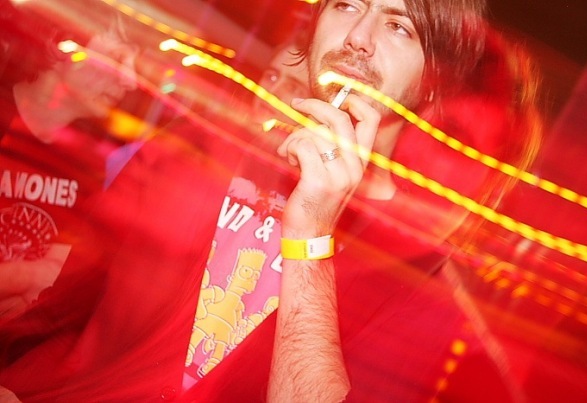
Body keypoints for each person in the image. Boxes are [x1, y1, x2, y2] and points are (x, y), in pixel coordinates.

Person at [0, 0, 543, 401]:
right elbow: (63, 308)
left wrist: (311, 234)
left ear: (434, 79)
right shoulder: (201, 148)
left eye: (398, 26)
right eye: (346, 5)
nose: (358, 38)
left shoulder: (416, 274)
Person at [0, 0, 139, 319]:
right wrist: (29, 275)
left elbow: (56, 276)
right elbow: (42, 275)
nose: (130, 80)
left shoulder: (92, 161)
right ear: (60, 45)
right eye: (118, 58)